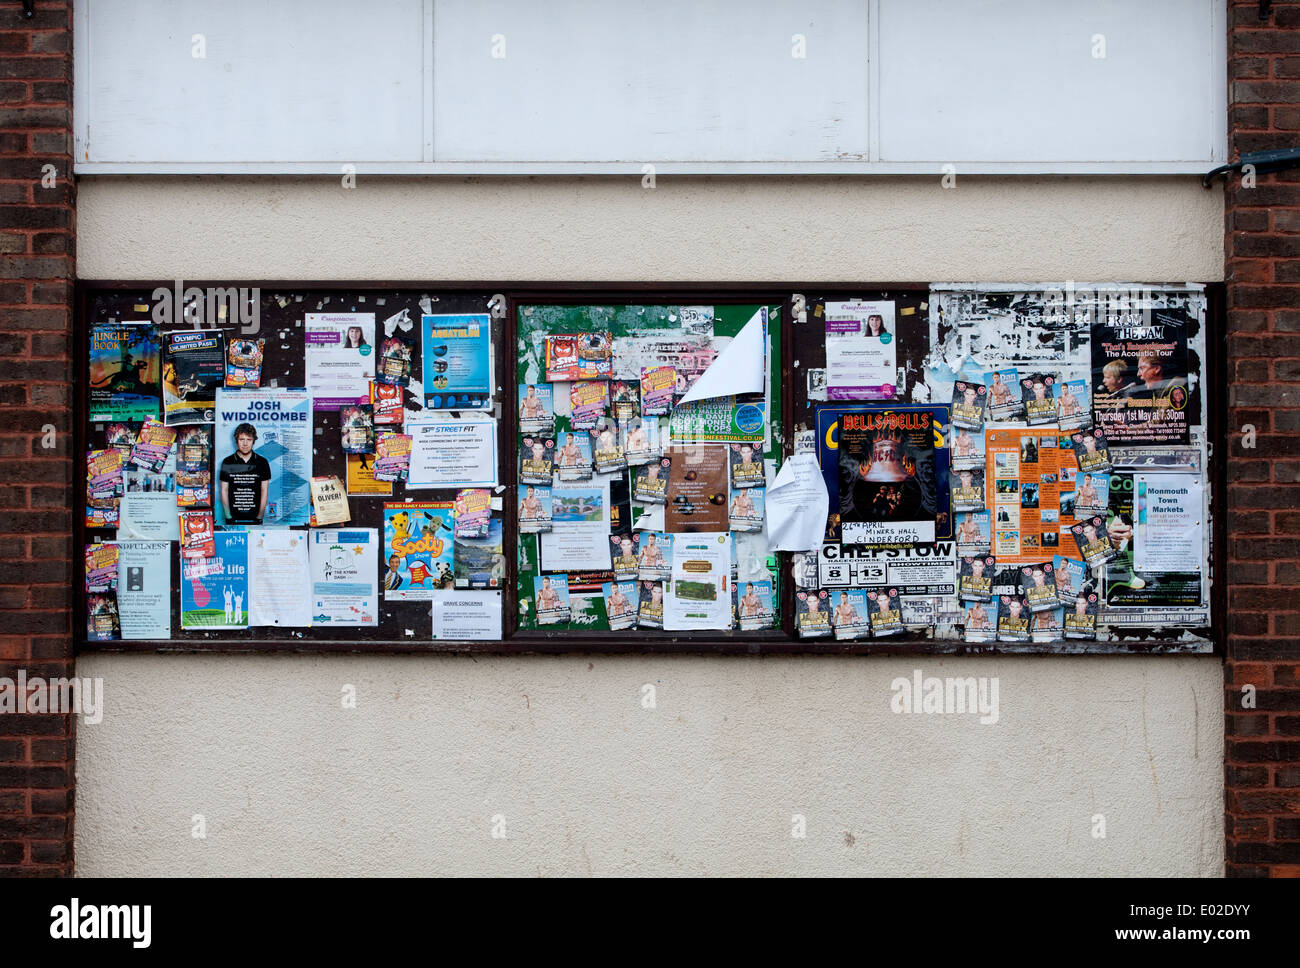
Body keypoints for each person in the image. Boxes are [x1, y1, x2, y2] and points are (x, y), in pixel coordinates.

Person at [219, 422, 272, 525]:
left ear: (253, 441)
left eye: (249, 440)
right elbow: (224, 490)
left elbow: (264, 489)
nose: (245, 444)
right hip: (233, 517)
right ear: (236, 441)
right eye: (241, 439)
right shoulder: (227, 461)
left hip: (255, 516)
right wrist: (228, 516)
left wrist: (260, 517)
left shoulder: (262, 462)